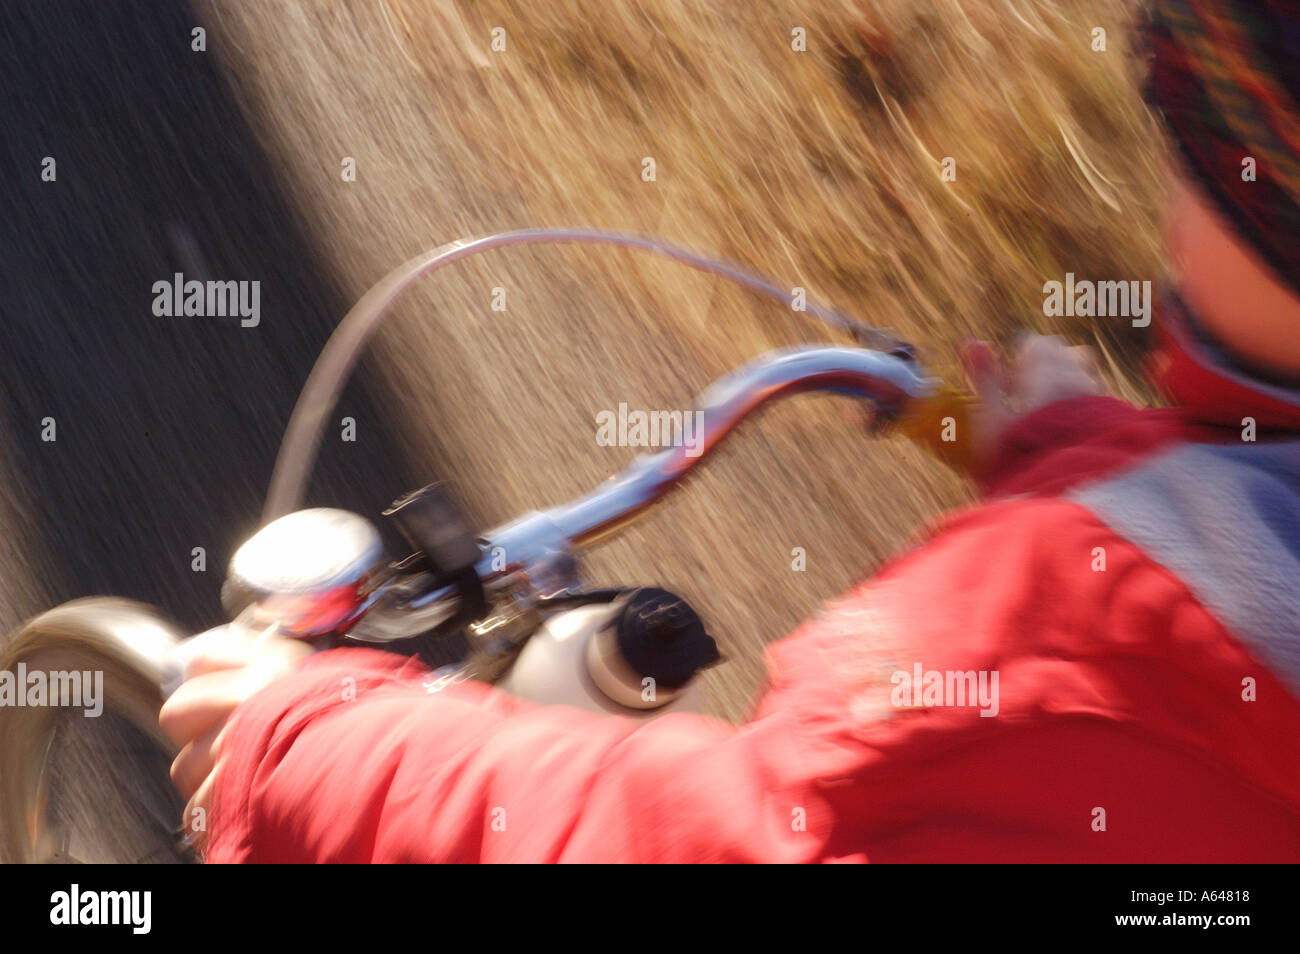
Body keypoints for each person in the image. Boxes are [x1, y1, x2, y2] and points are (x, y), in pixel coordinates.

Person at [160, 0, 1300, 862]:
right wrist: (1083, 460)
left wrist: (307, 743)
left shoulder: (1077, 654)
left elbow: (712, 837)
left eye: (1194, 131)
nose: (1163, 162)